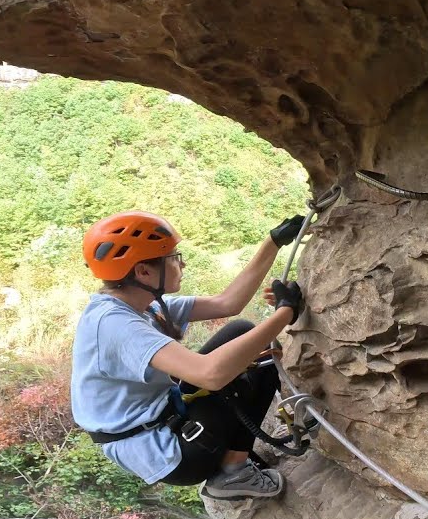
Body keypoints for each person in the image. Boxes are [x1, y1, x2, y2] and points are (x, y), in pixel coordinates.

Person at [70, 210, 307, 500]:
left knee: (244, 334)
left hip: (166, 415)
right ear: (143, 271)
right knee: (251, 367)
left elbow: (227, 303)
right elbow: (211, 374)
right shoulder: (115, 324)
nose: (181, 262)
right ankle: (233, 474)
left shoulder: (143, 304)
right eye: (172, 257)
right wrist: (286, 311)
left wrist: (273, 242)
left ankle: (230, 459)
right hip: (170, 452)